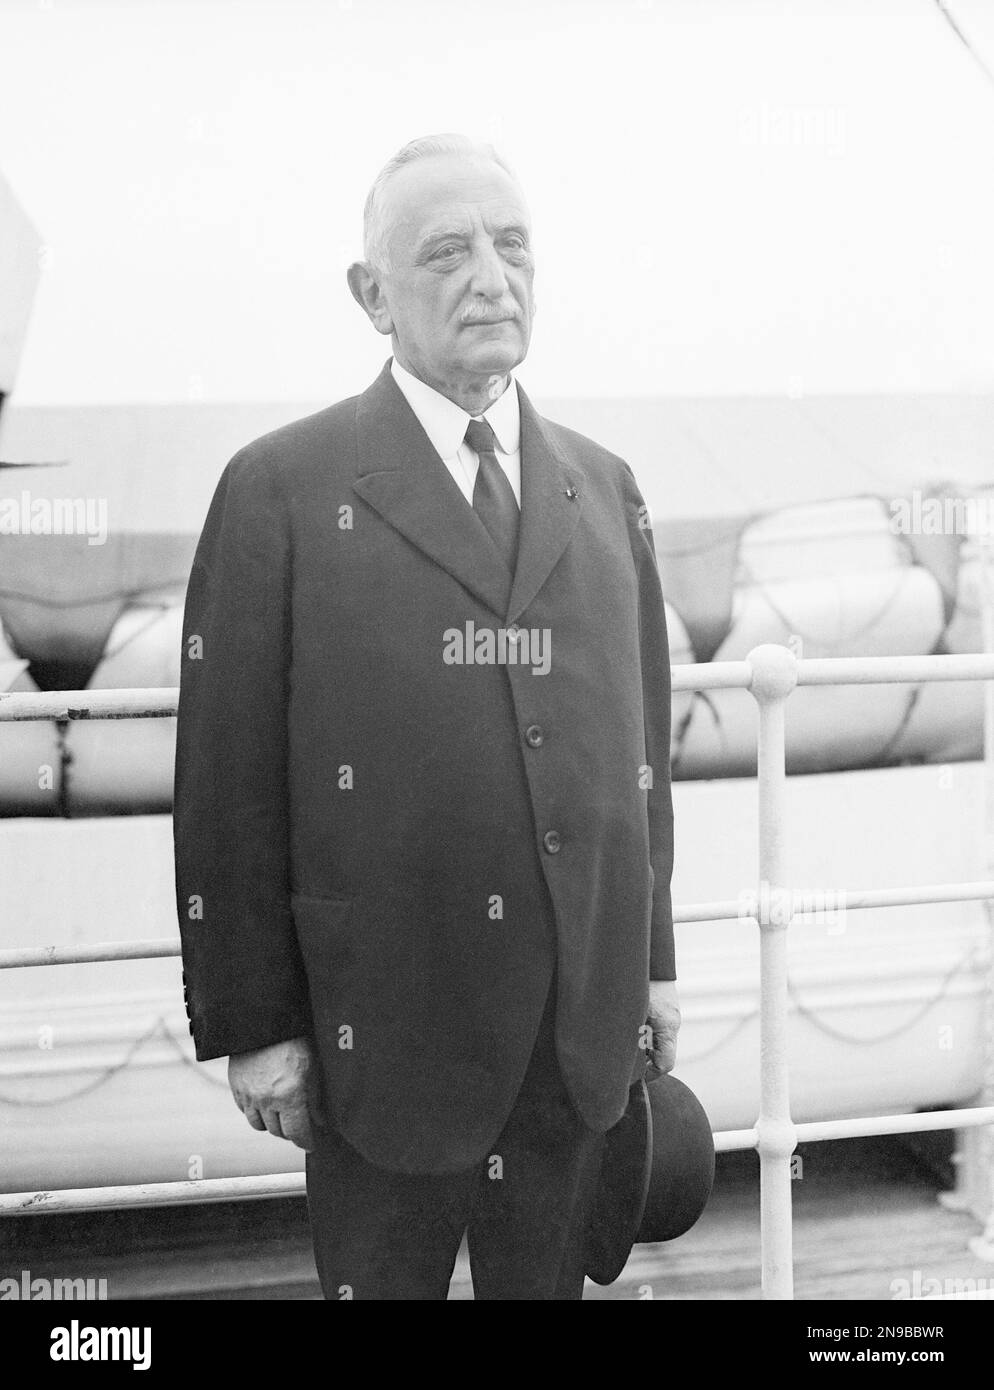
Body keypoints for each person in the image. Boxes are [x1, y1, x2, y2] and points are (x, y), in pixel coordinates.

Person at [174, 133, 680, 1300]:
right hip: (378, 1042)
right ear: (372, 294)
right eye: (446, 252)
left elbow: (637, 759)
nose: (489, 278)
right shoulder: (281, 491)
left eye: (512, 248)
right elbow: (225, 781)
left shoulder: (603, 490)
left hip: (570, 1042)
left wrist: (648, 970)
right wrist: (257, 1022)